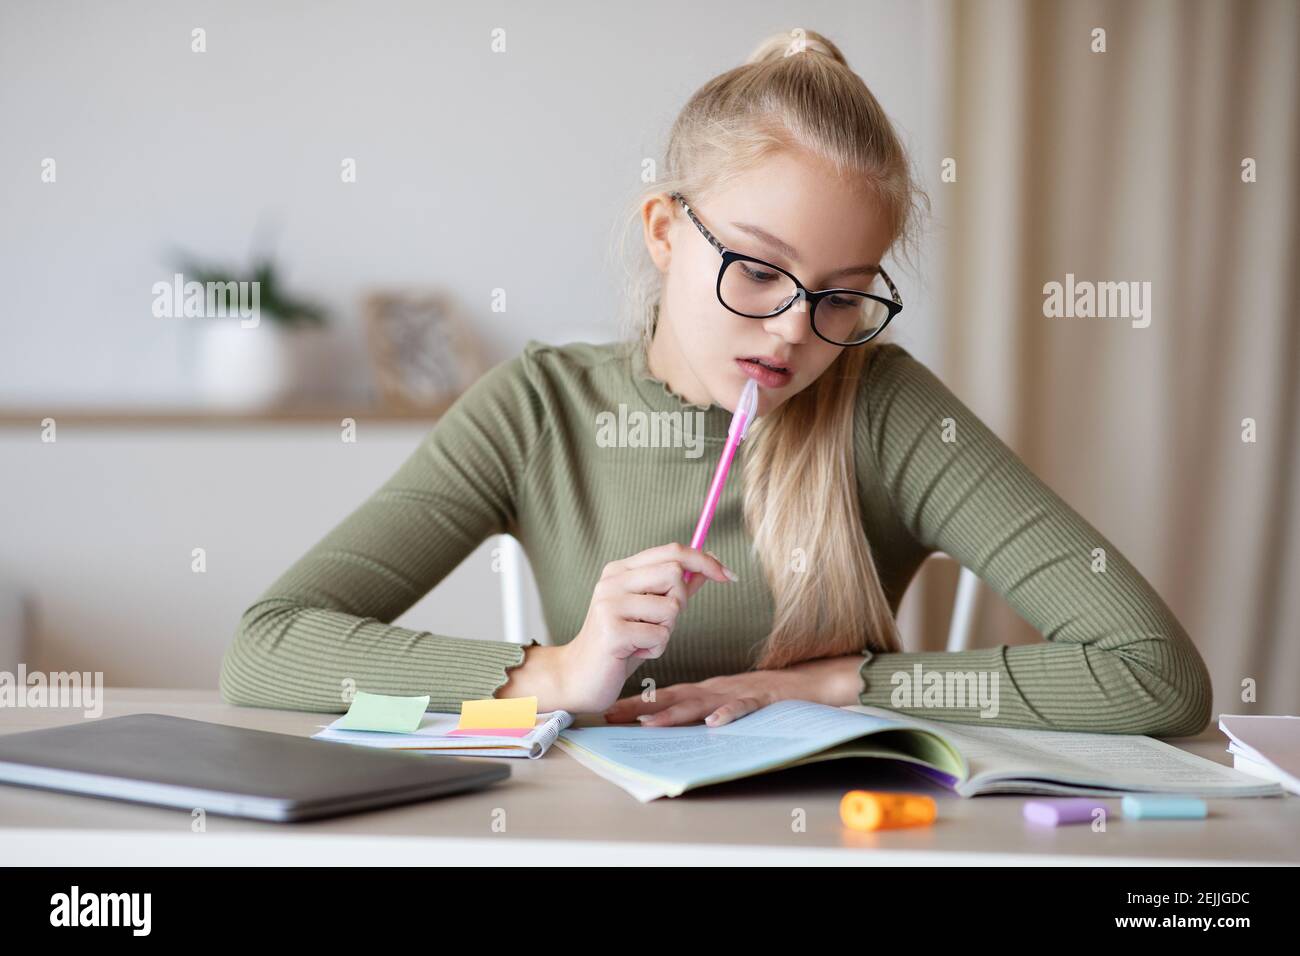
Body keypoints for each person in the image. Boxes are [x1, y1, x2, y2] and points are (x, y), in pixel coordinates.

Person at [220, 28, 1211, 736]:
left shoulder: (885, 407)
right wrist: (556, 669)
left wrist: (831, 685)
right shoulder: (538, 409)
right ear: (663, 231)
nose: (791, 331)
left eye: (840, 296)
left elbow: (1153, 675)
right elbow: (266, 648)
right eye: (756, 268)